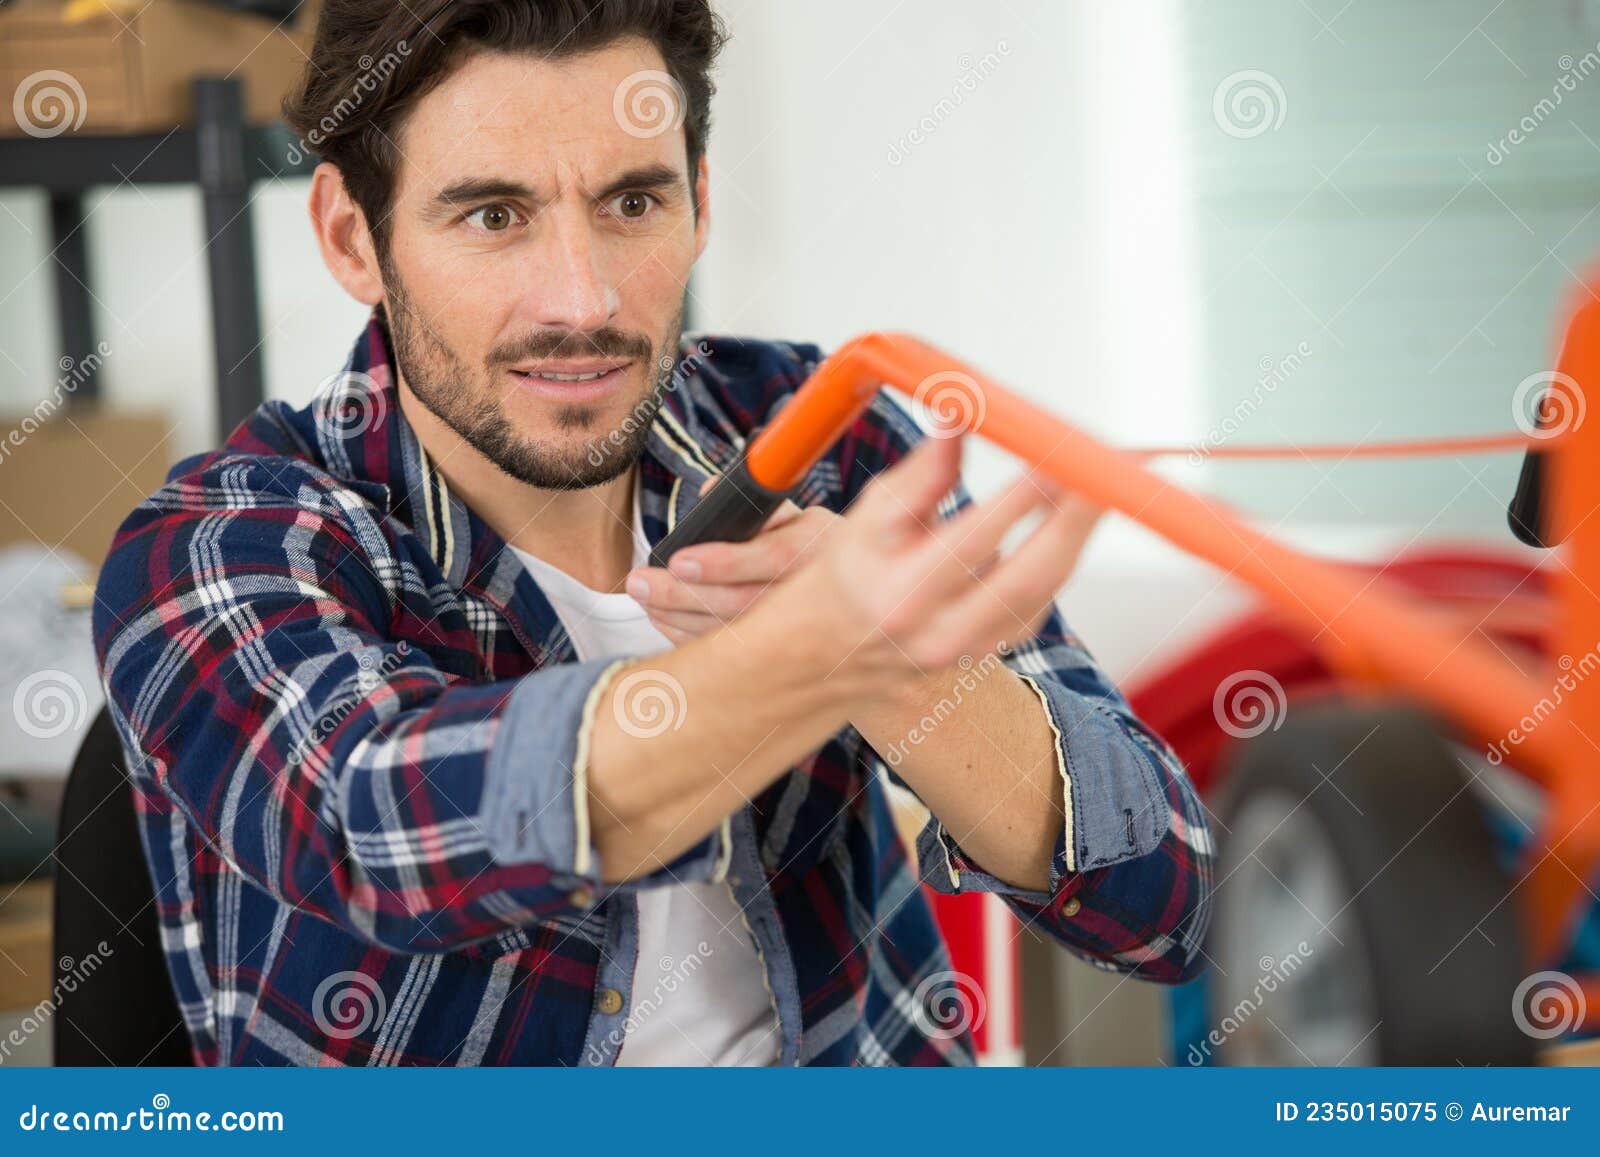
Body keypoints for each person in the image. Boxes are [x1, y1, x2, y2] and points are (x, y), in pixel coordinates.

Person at [92, 0, 1212, 1066]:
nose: (582, 300)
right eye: (494, 215)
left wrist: (917, 686)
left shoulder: (821, 434)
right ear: (352, 238)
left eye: (632, 204)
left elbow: (1166, 906)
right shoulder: (221, 543)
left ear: (698, 199)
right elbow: (378, 828)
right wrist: (803, 660)